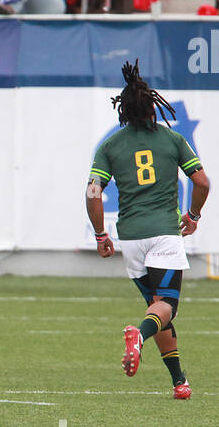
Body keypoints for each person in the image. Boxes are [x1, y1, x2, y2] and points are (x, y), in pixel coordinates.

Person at [86, 61, 210, 400]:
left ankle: (179, 381)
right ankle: (138, 336)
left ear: (123, 110)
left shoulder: (110, 146)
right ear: (153, 107)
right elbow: (201, 181)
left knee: (158, 307)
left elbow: (92, 193)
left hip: (131, 238)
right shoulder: (172, 139)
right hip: (164, 234)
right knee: (167, 304)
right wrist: (194, 214)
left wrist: (100, 234)